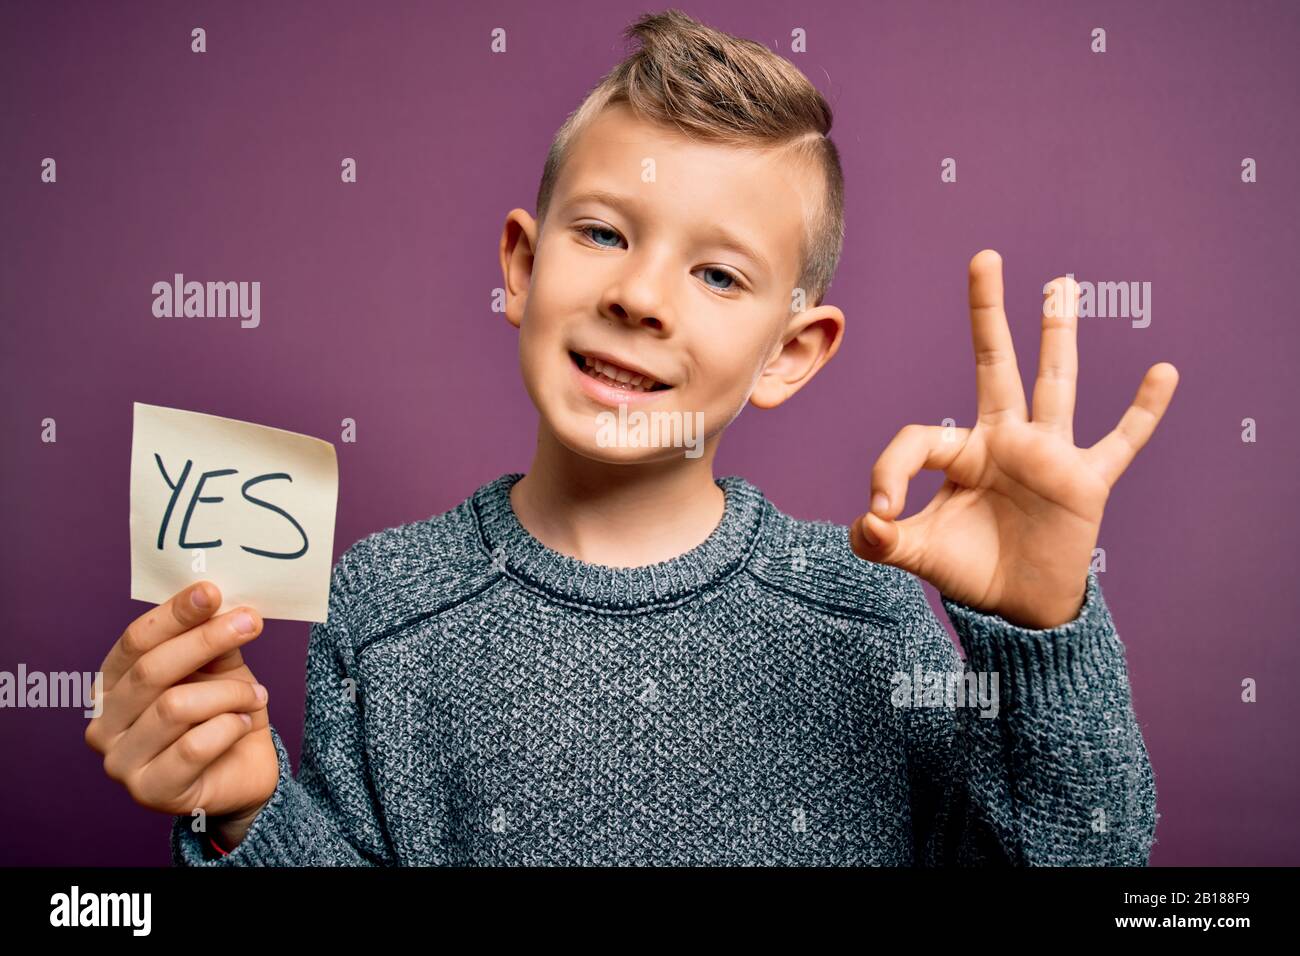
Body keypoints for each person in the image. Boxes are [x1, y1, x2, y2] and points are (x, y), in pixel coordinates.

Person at [85, 9, 1177, 866]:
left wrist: (1045, 633)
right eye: (603, 231)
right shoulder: (383, 606)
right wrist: (246, 814)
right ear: (521, 266)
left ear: (791, 351)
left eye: (717, 273)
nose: (642, 295)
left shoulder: (867, 610)